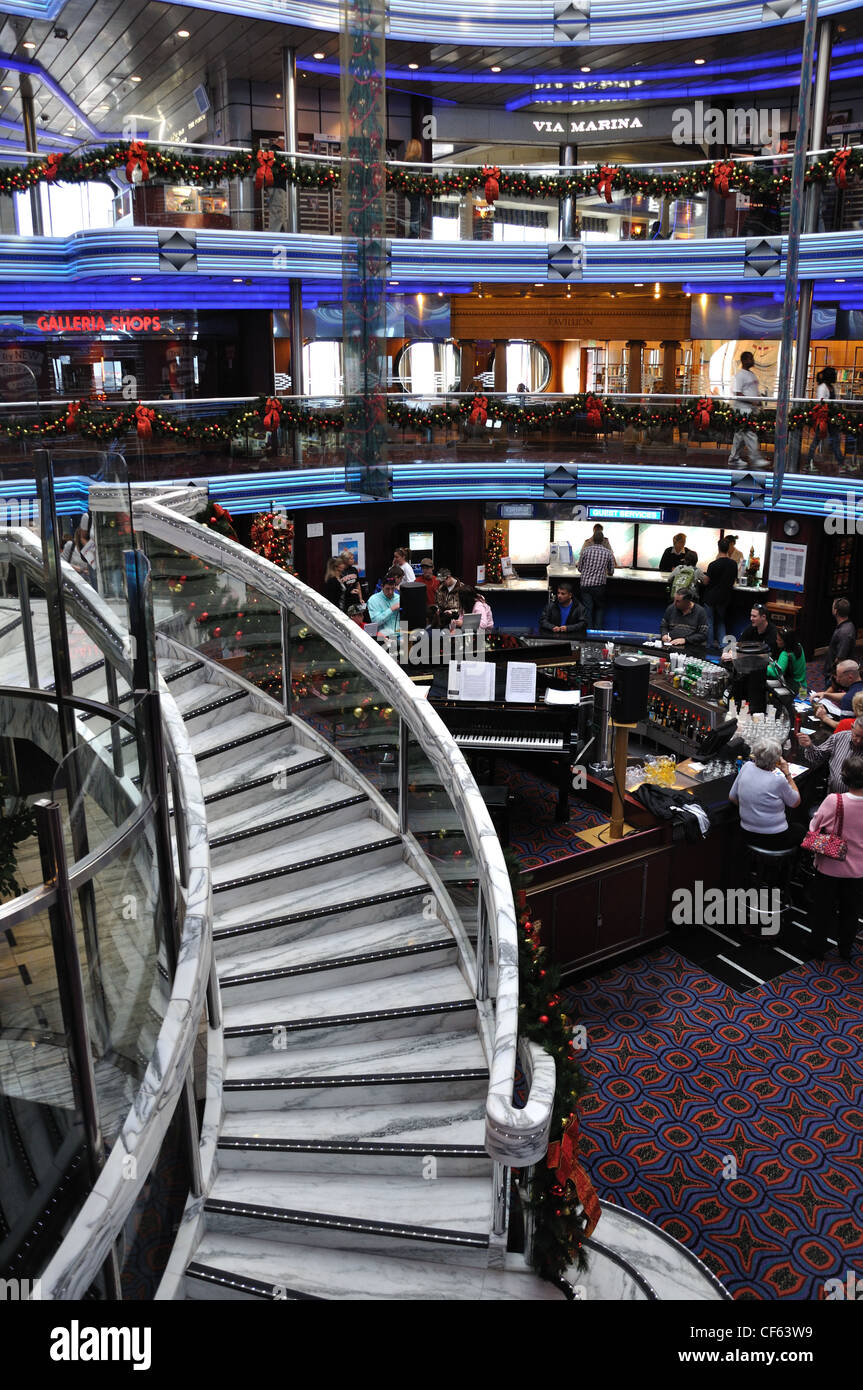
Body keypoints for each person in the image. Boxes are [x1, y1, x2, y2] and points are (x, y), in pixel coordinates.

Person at [807, 753, 863, 960]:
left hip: (830, 865)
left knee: (823, 910)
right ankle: (845, 949)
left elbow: (814, 827)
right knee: (851, 912)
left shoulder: (834, 801)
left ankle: (817, 948)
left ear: (845, 777)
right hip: (858, 870)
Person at [728, 739, 803, 850]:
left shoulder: (746, 767)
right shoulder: (778, 781)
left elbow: (732, 797)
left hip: (746, 833)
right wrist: (787, 774)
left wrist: (751, 806)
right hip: (774, 838)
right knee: (801, 830)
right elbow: (795, 802)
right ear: (776, 760)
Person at [797, 717, 863, 794]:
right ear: (852, 728)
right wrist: (809, 746)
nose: (859, 741)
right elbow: (817, 757)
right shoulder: (839, 738)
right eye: (857, 735)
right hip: (833, 797)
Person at [727, 351, 765, 468]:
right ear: (744, 360)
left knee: (739, 436)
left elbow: (752, 391)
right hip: (742, 410)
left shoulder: (752, 375)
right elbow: (738, 393)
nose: (752, 360)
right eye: (750, 358)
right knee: (750, 434)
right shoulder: (740, 375)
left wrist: (758, 401)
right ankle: (756, 459)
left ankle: (734, 458)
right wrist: (752, 401)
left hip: (750, 409)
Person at [701, 537, 738, 651]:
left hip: (711, 597)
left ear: (718, 548)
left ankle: (709, 646)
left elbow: (706, 581)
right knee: (721, 621)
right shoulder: (733, 564)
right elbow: (734, 580)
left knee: (710, 621)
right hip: (724, 598)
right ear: (728, 549)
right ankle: (723, 646)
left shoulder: (713, 564)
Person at [576, 526, 615, 629]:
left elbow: (579, 568)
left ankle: (589, 632)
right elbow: (611, 571)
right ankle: (598, 633)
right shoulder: (608, 553)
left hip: (585, 585)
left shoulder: (586, 550)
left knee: (588, 609)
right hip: (599, 586)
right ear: (602, 540)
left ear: (593, 539)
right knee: (599, 608)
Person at [807, 366, 845, 472]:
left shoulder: (831, 387)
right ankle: (808, 462)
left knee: (835, 441)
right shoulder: (823, 387)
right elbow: (821, 402)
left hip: (831, 418)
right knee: (816, 440)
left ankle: (841, 464)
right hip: (823, 418)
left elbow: (834, 401)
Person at [811, 660, 863, 731]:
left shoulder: (848, 699)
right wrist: (826, 694)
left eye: (839, 677)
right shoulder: (857, 691)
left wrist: (824, 717)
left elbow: (844, 728)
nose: (837, 680)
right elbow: (850, 695)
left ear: (850, 678)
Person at [824, 598, 857, 686]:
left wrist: (833, 676)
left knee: (827, 698)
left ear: (835, 611)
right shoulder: (847, 625)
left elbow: (840, 658)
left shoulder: (844, 632)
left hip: (836, 677)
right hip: (837, 674)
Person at [767, 629, 808, 696]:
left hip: (793, 689)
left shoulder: (785, 654)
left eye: (779, 640)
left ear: (786, 642)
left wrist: (766, 668)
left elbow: (777, 673)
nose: (776, 641)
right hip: (803, 687)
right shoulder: (799, 646)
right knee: (803, 702)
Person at [403, 137, 426, 238]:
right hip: (416, 191)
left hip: (411, 191)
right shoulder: (415, 161)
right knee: (418, 211)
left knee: (415, 211)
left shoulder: (408, 161)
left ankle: (414, 232)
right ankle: (414, 232)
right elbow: (417, 177)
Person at [366, 571, 401, 636]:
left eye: (392, 589)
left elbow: (404, 619)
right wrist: (391, 609)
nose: (390, 592)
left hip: (399, 635)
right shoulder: (373, 600)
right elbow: (375, 622)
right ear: (382, 587)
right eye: (387, 589)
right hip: (383, 637)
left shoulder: (399, 598)